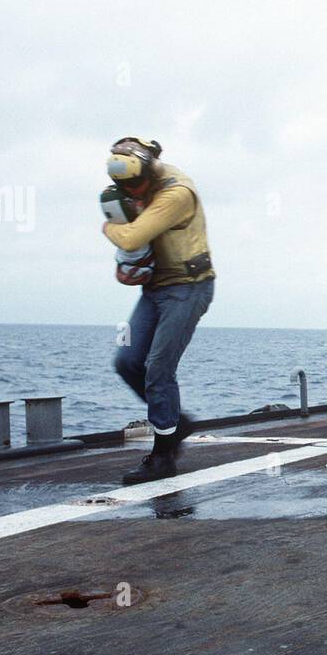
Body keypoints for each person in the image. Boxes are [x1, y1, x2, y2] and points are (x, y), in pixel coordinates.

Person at [103, 137, 215, 485]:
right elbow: (133, 249)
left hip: (188, 288)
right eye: (127, 188)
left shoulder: (176, 193)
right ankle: (175, 422)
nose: (134, 193)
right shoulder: (142, 186)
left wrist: (108, 225)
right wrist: (127, 268)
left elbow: (132, 237)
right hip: (155, 289)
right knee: (127, 362)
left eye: (138, 185)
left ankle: (163, 456)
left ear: (150, 171)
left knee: (158, 367)